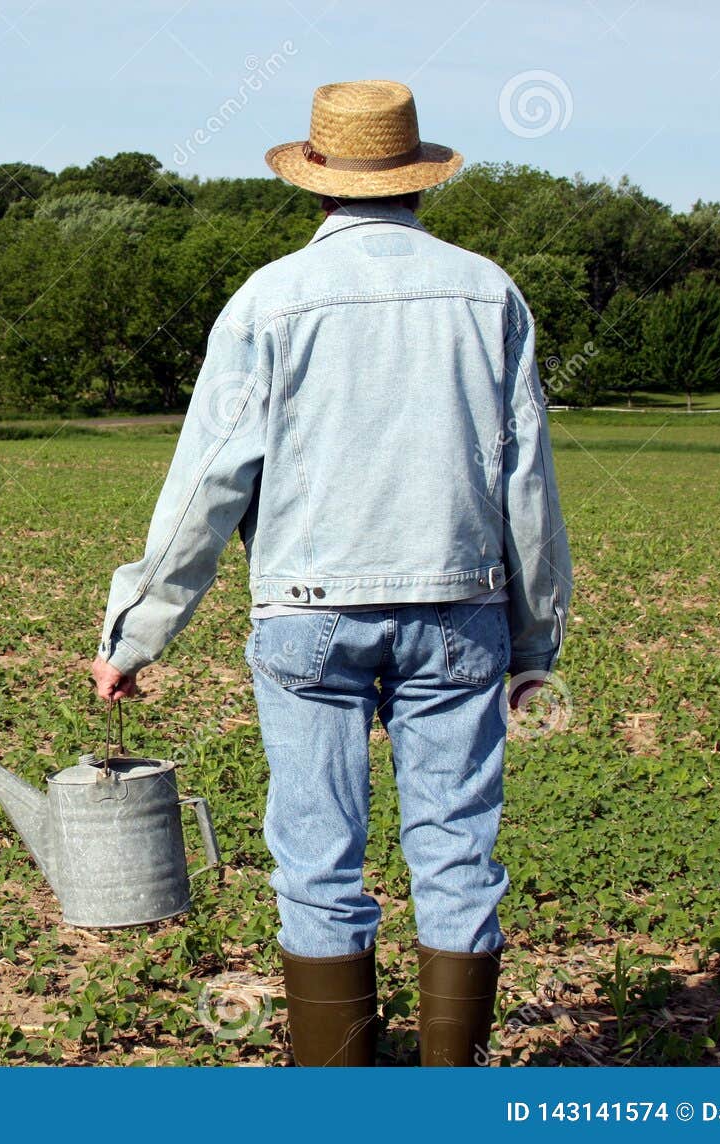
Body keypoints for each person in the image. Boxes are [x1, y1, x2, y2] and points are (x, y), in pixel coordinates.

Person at [90, 80, 572, 1067]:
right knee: (457, 854)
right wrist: (535, 640)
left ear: (315, 183)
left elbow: (205, 484)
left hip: (308, 614)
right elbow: (527, 480)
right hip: (461, 610)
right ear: (416, 182)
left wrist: (134, 631)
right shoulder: (490, 293)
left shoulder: (270, 298)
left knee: (315, 864)